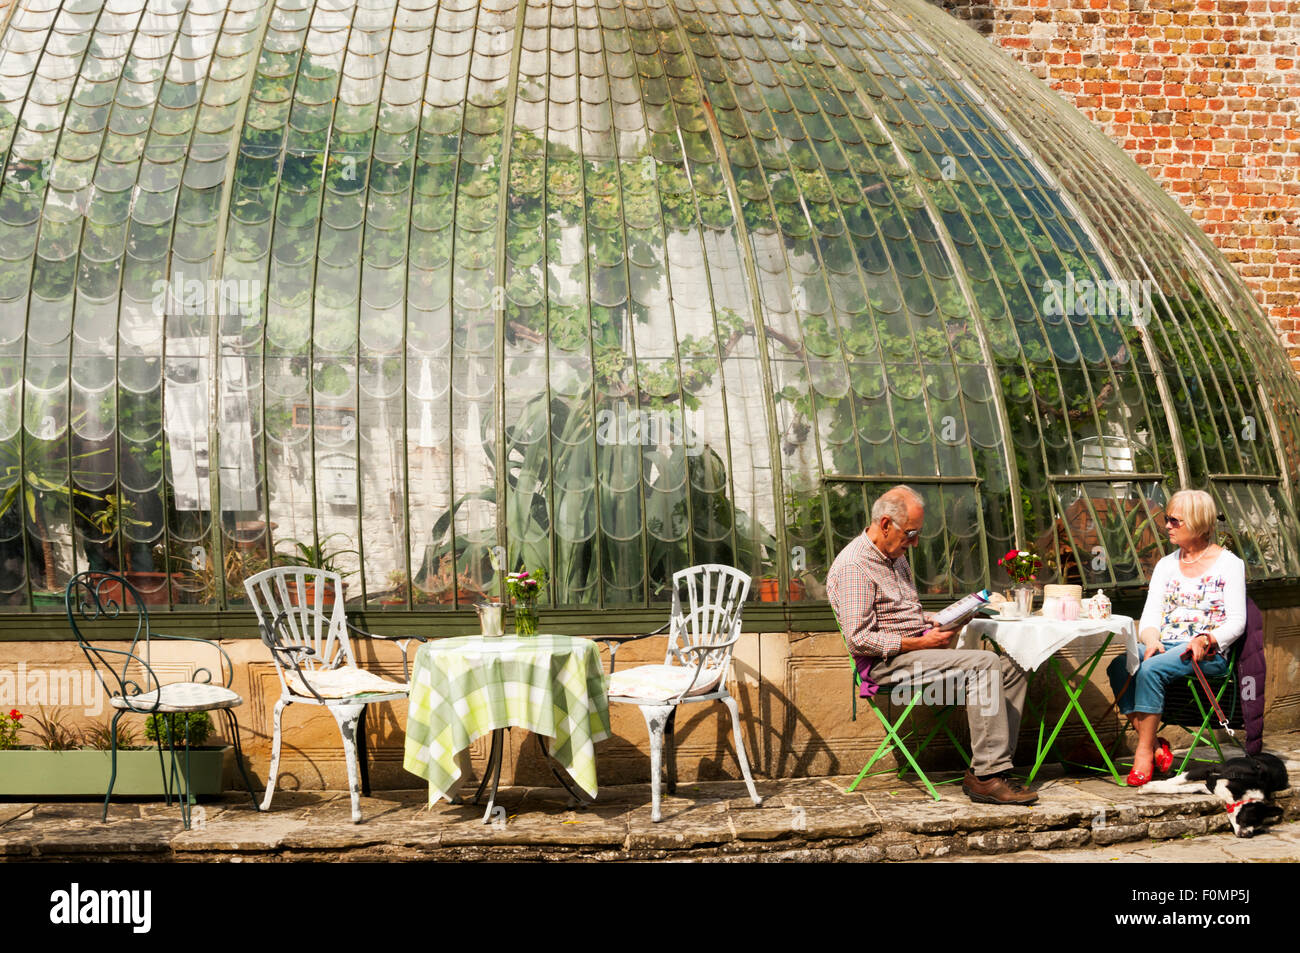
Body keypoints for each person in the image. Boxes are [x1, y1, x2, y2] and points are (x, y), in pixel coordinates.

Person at [826, 485, 1036, 805]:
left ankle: (992, 767)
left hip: (915, 652)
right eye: (911, 533)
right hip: (885, 667)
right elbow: (859, 639)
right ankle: (987, 777)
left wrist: (945, 618)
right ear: (885, 524)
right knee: (983, 663)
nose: (915, 542)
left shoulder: (895, 556)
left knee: (1015, 664)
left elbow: (904, 614)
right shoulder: (855, 566)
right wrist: (919, 642)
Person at [1107, 489, 1245, 786]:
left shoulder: (1229, 564)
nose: (1166, 525)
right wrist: (1151, 638)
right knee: (1120, 664)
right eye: (1167, 519)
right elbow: (1150, 615)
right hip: (1166, 645)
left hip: (1206, 654)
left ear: (1197, 523)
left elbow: (1237, 622)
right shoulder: (1166, 565)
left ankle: (1143, 752)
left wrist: (1206, 640)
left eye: (1174, 520)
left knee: (1151, 670)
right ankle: (1157, 744)